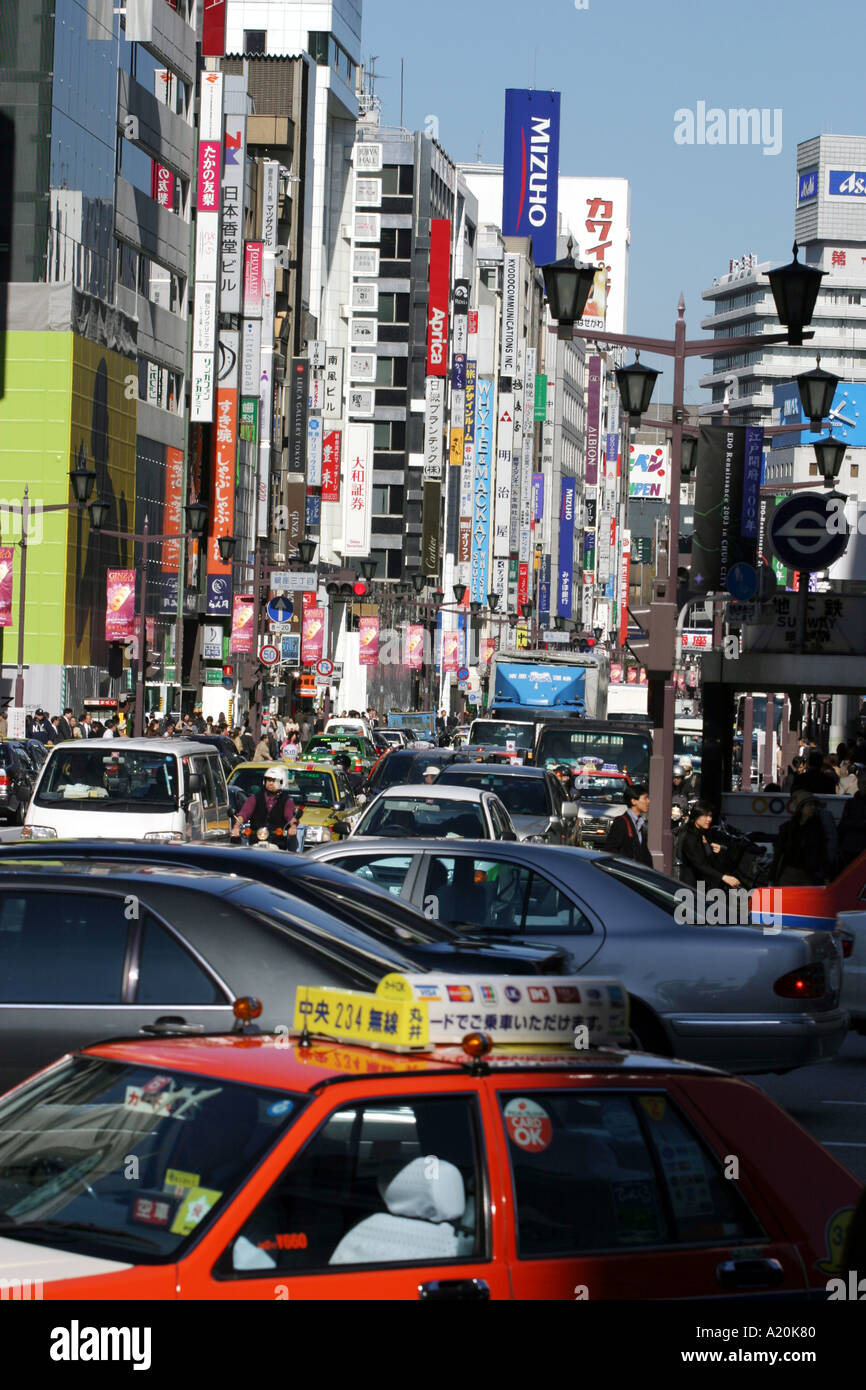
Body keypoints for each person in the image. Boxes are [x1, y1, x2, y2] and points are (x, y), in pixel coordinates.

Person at [771, 791, 832, 886]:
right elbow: (779, 853)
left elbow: (823, 854)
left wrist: (826, 876)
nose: (813, 808)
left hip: (808, 874)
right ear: (801, 808)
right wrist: (772, 876)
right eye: (809, 805)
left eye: (814, 805)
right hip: (789, 872)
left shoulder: (817, 829)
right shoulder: (788, 828)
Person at [679, 802, 741, 891]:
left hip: (703, 885)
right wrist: (724, 877)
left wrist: (717, 852)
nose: (709, 819)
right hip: (690, 886)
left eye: (710, 816)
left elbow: (709, 862)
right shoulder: (689, 836)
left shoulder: (703, 833)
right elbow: (699, 864)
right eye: (705, 816)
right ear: (696, 816)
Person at [231, 767, 298, 850]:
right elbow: (243, 814)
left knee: (292, 840)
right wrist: (236, 826)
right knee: (236, 844)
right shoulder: (254, 799)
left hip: (278, 843)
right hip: (255, 841)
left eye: (274, 781)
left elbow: (290, 817)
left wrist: (293, 827)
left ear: (281, 783)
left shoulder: (286, 801)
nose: (270, 783)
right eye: (268, 780)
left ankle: (292, 859)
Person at [603, 785, 652, 866]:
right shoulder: (621, 822)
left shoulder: (641, 823)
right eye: (645, 798)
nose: (648, 801)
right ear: (633, 801)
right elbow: (610, 850)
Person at [837, 773, 866, 870]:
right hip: (850, 847)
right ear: (858, 784)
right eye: (862, 783)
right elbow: (843, 823)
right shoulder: (851, 803)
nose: (864, 786)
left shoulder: (851, 803)